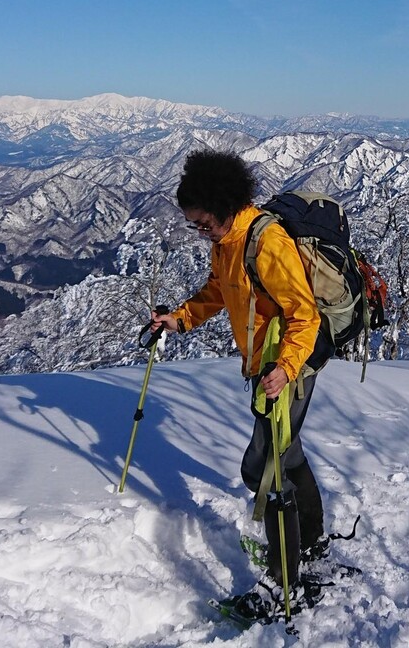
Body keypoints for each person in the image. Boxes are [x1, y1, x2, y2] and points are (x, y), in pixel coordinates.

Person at [149, 149, 331, 614]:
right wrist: (180, 319)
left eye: (203, 221)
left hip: (288, 366)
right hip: (265, 365)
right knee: (281, 458)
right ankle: (308, 546)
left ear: (225, 205)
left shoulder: (265, 242)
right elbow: (220, 290)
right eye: (196, 224)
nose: (200, 230)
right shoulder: (227, 240)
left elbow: (304, 313)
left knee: (267, 468)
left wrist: (287, 368)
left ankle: (283, 579)